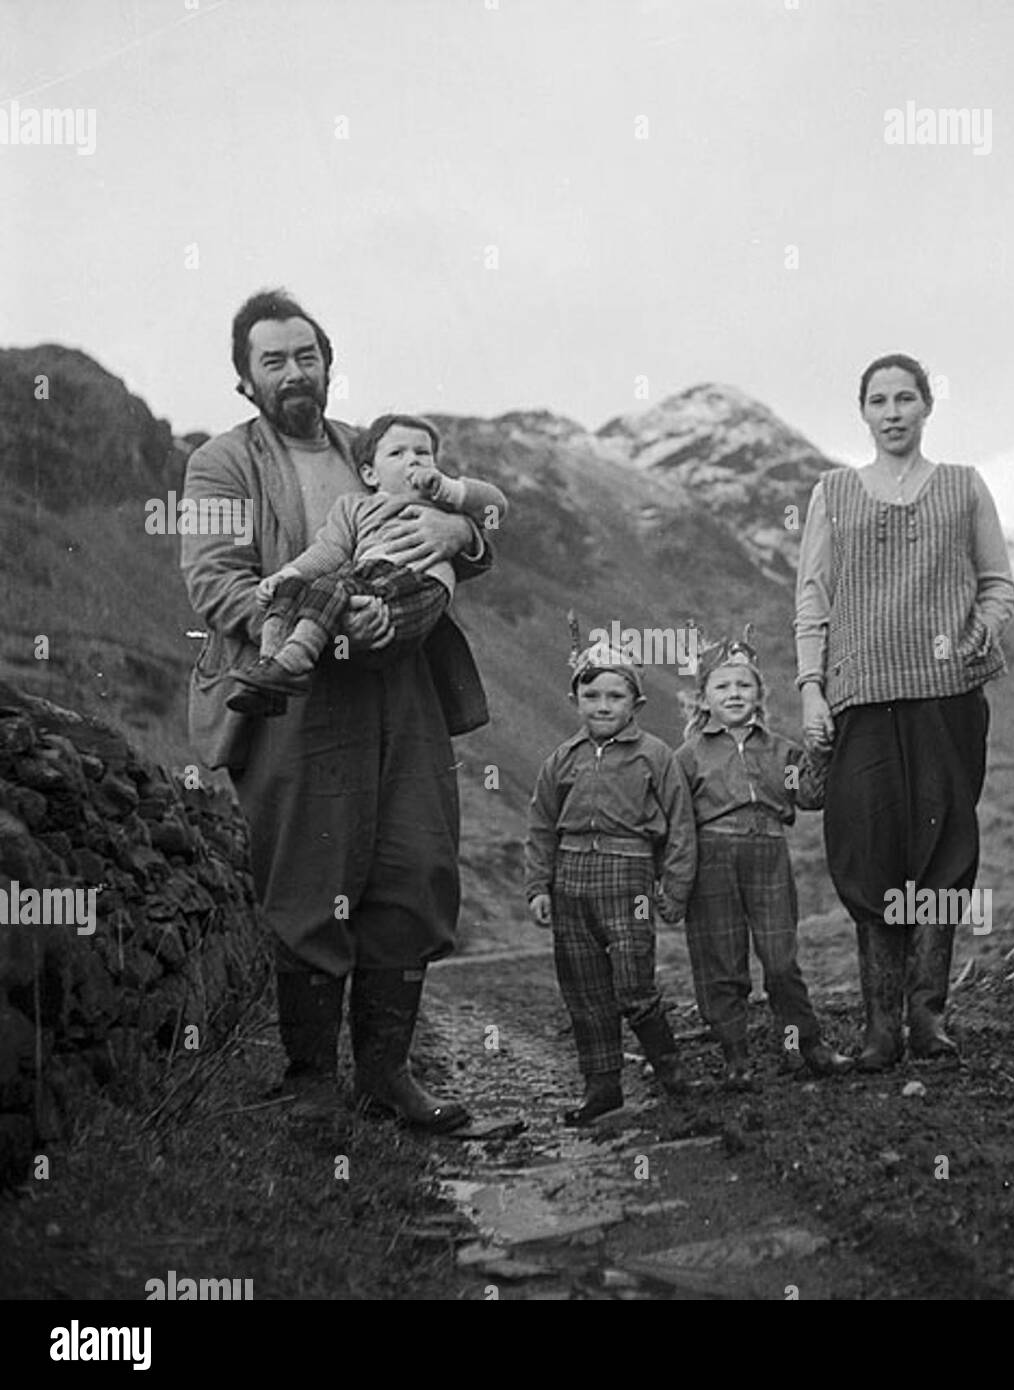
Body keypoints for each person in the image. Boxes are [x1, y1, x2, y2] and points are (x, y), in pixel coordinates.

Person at [181, 289, 491, 1132]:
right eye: (272, 360)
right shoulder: (218, 464)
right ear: (245, 378)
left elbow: (470, 516)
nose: (294, 373)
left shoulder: (374, 448)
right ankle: (313, 1080)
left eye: (306, 355)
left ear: (329, 361)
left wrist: (464, 538)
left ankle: (385, 1074)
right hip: (296, 695)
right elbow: (213, 581)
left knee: (415, 866)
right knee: (312, 878)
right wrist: (310, 624)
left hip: (406, 690)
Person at [794, 353, 1014, 1070]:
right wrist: (809, 687)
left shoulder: (963, 488)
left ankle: (928, 1021)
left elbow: (997, 584)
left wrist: (977, 634)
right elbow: (813, 600)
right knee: (869, 857)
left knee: (945, 855)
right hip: (860, 700)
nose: (892, 413)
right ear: (862, 412)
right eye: (878, 401)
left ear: (927, 408)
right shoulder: (832, 493)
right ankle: (878, 1032)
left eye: (905, 399)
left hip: (947, 702)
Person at [524, 631, 697, 1126]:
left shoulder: (655, 756)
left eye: (615, 696)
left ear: (636, 703)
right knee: (583, 987)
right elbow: (540, 827)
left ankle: (670, 1070)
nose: (603, 706)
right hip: (570, 882)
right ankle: (602, 1087)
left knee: (632, 980)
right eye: (592, 695)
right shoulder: (561, 759)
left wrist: (675, 888)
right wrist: (539, 886)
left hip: (630, 877)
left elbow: (680, 826)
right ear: (575, 699)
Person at [228, 413, 508, 713]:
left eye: (423, 453)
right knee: (291, 589)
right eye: (397, 453)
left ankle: (296, 661)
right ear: (371, 474)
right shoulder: (353, 506)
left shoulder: (439, 500)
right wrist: (289, 572)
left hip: (422, 582)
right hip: (367, 581)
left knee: (333, 587)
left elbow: (495, 509)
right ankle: (271, 669)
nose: (413, 460)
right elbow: (330, 551)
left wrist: (450, 491)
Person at [675, 627, 854, 1090]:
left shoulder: (781, 750)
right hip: (711, 860)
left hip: (768, 853)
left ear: (758, 694)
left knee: (780, 961)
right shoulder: (686, 758)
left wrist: (820, 752)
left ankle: (803, 1046)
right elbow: (672, 820)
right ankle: (736, 1058)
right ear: (702, 698)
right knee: (722, 961)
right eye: (722, 686)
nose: (734, 694)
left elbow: (811, 796)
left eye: (743, 685)